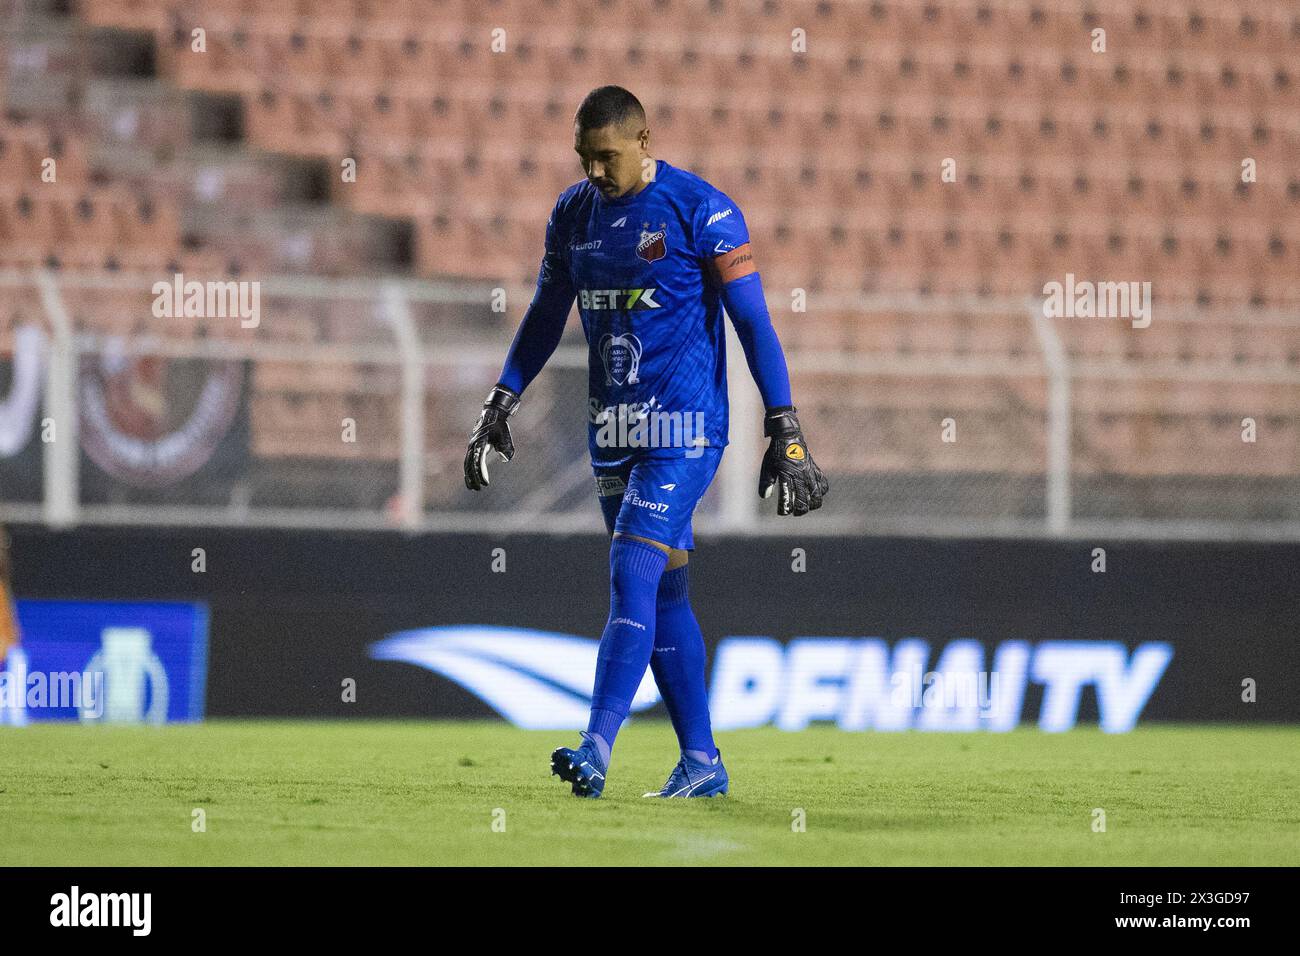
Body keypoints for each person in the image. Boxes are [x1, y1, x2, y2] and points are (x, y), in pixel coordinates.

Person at [464, 86, 828, 798]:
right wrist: (501, 398)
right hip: (615, 428)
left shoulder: (704, 212)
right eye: (584, 158)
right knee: (664, 595)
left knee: (630, 568)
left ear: (643, 141)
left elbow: (753, 323)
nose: (595, 172)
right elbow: (545, 313)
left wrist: (783, 421)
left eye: (606, 157)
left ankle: (596, 745)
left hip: (686, 429)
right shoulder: (572, 216)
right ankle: (702, 762)